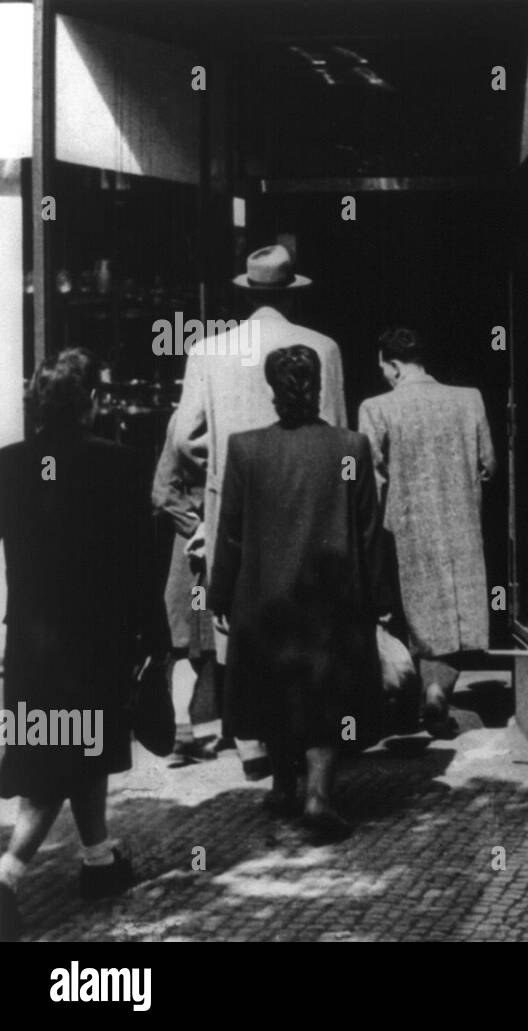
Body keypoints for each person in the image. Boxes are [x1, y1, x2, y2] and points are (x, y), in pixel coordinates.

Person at [0, 349, 159, 942]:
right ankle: (8, 877)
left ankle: (98, 860)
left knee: (68, 749)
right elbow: (141, 564)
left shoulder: (9, 466)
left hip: (33, 643)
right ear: (91, 402)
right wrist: (153, 637)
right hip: (95, 644)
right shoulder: (119, 465)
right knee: (62, 760)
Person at [175, 243, 347, 779]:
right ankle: (304, 745)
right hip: (306, 504)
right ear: (293, 296)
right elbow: (339, 435)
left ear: (245, 293)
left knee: (240, 624)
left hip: (236, 500)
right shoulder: (324, 347)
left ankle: (252, 741)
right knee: (307, 623)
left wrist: (220, 463)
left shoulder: (208, 350)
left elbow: (184, 437)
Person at [209, 346, 388, 842]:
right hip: (332, 600)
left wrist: (219, 595)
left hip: (265, 598)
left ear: (272, 388)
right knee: (326, 697)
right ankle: (318, 795)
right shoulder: (350, 449)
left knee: (276, 687)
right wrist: (378, 598)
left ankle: (284, 784)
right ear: (319, 386)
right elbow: (367, 528)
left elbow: (232, 533)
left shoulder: (246, 450)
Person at [358, 326, 496, 729]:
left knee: (410, 614)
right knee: (451, 617)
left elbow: (371, 476)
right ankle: (437, 691)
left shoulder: (376, 407)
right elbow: (489, 465)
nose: (384, 375)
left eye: (384, 368)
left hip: (402, 529)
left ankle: (414, 698)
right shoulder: (469, 399)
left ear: (395, 367)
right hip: (460, 527)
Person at [151, 411, 220, 766]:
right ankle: (252, 744)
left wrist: (194, 527)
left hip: (191, 552)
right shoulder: (236, 408)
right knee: (201, 637)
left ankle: (182, 732)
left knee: (192, 640)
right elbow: (161, 491)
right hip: (206, 552)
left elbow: (163, 491)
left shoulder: (180, 421)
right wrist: (204, 527)